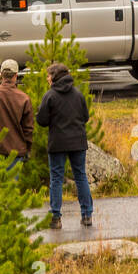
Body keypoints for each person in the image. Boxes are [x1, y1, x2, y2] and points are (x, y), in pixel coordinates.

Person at [36, 62, 93, 229]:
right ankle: (87, 214)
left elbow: (42, 121)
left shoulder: (50, 96)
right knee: (81, 176)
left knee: (56, 179)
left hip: (58, 143)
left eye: (48, 75)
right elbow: (86, 117)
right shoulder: (78, 94)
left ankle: (55, 217)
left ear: (54, 76)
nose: (47, 78)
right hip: (78, 141)